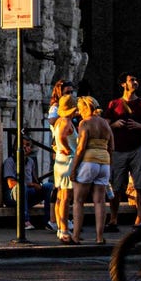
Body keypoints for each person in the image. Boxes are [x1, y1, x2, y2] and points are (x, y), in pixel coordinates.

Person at [106, 72, 141, 229]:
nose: (135, 82)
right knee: (116, 186)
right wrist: (115, 125)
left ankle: (139, 218)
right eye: (131, 80)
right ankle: (113, 219)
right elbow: (105, 125)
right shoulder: (114, 104)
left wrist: (140, 126)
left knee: (140, 185)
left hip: (138, 149)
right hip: (118, 149)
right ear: (123, 84)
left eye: (136, 79)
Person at [72, 96, 115, 243]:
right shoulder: (105, 124)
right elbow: (111, 147)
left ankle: (76, 236)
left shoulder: (85, 123)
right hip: (104, 163)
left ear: (85, 108)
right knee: (100, 201)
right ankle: (99, 237)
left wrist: (73, 169)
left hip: (88, 162)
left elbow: (81, 148)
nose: (79, 111)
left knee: (78, 200)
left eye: (80, 108)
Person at [3, 135, 51, 229]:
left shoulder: (30, 161)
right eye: (22, 145)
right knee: (22, 188)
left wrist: (38, 185)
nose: (25, 147)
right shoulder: (10, 161)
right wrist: (31, 184)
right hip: (14, 195)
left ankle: (49, 220)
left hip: (29, 193)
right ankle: (25, 221)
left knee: (49, 186)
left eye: (28, 145)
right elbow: (11, 183)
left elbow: (35, 180)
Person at [50, 92, 79, 242]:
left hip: (60, 161)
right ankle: (64, 229)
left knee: (60, 197)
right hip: (68, 160)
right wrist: (67, 147)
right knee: (66, 197)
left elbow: (56, 138)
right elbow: (61, 136)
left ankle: (60, 228)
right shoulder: (67, 122)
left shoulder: (58, 121)